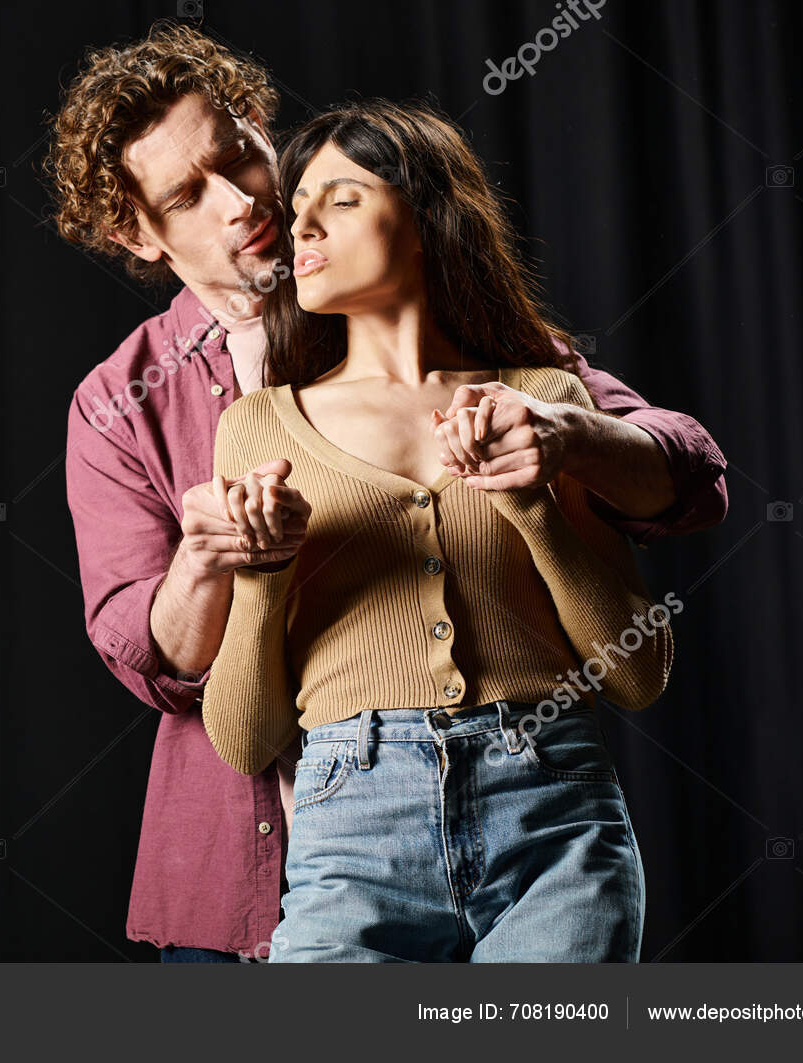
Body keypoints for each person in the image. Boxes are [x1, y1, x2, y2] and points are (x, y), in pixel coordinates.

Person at [49, 23, 728, 962]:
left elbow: (687, 475)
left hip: (537, 811)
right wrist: (214, 562)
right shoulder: (120, 403)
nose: (242, 202)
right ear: (136, 233)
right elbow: (148, 659)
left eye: (238, 157)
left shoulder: (459, 333)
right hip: (245, 872)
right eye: (186, 195)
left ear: (260, 126)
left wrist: (569, 438)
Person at [202, 98, 682, 962]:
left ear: (426, 218)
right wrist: (263, 573)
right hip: (353, 832)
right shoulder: (258, 427)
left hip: (557, 821)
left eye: (341, 199)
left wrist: (532, 507)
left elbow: (638, 673)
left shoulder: (544, 398)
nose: (300, 225)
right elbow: (244, 740)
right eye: (298, 203)